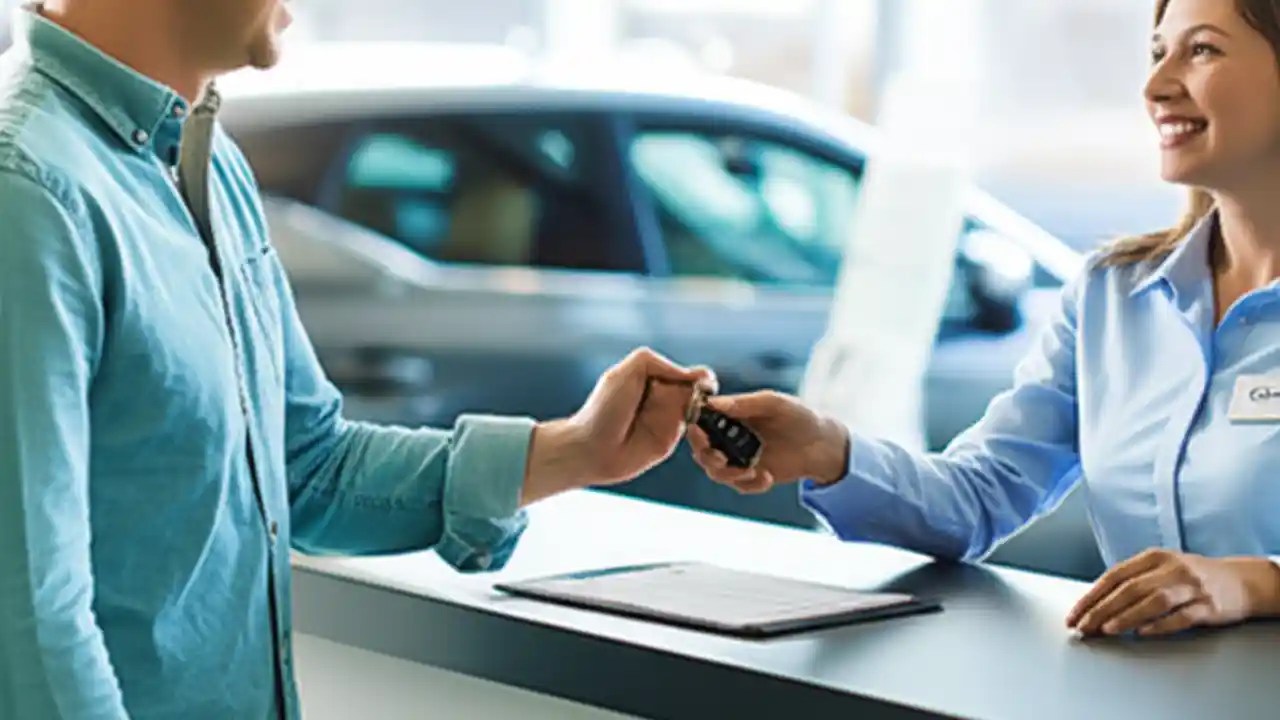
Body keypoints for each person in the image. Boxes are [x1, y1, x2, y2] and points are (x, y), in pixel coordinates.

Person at [0, 1, 714, 717]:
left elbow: (306, 466)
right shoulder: (29, 195)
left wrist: (573, 451)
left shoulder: (205, 164)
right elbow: (29, 620)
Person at [691, 0, 1280, 640]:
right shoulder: (1113, 296)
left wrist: (1252, 583)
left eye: (1202, 51)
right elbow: (980, 495)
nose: (1156, 86)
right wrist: (828, 451)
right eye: (1157, 53)